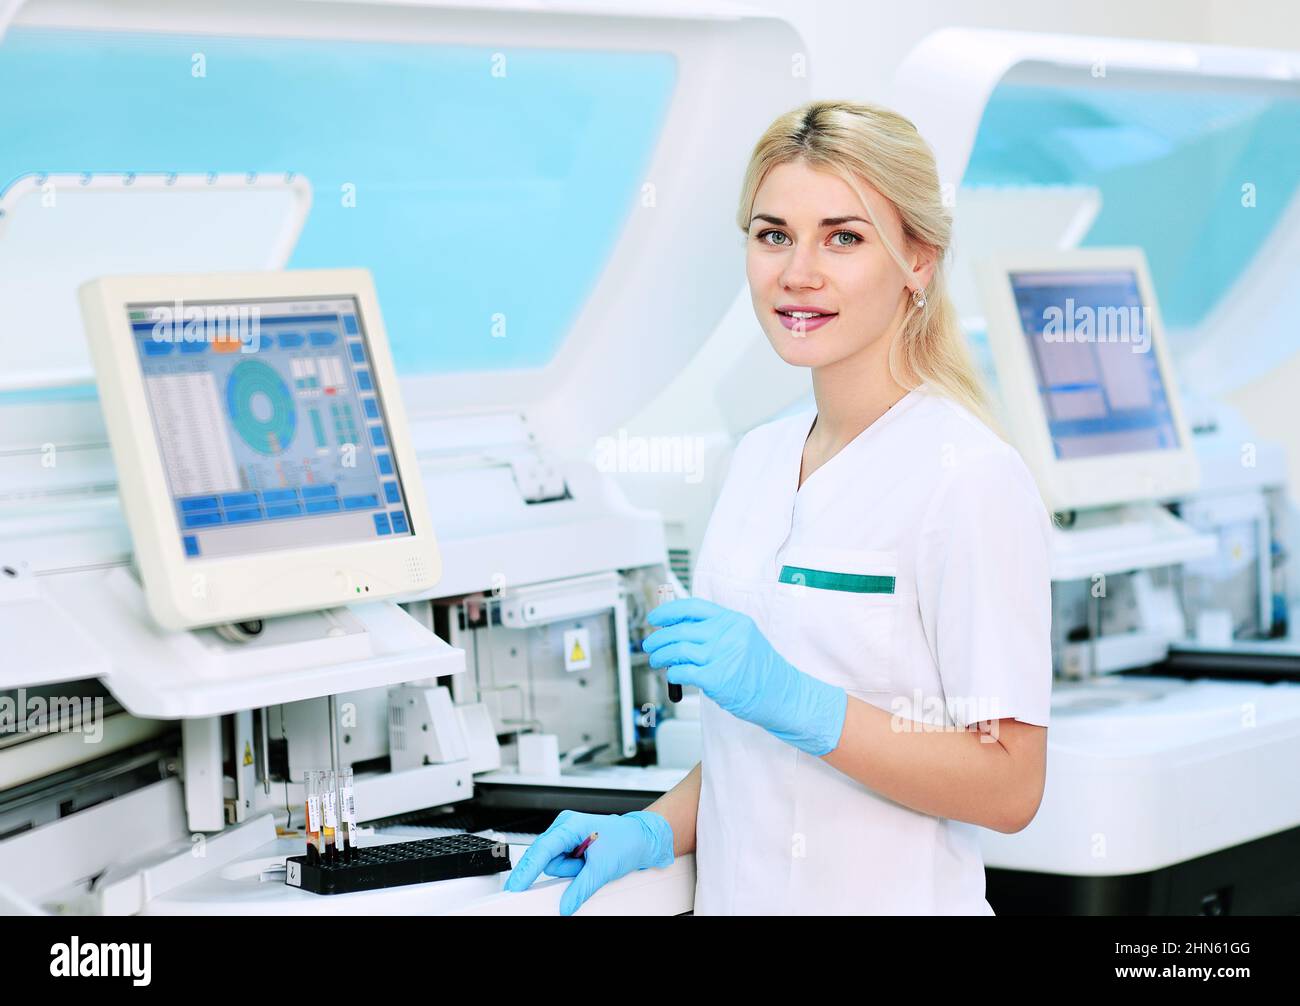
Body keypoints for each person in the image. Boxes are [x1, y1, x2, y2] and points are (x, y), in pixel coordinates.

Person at [504, 100, 1052, 915]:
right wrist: (654, 829)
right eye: (773, 235)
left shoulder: (966, 476)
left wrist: (799, 699)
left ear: (919, 261)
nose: (798, 273)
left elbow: (1010, 783)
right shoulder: (755, 460)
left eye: (844, 237)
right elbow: (762, 743)